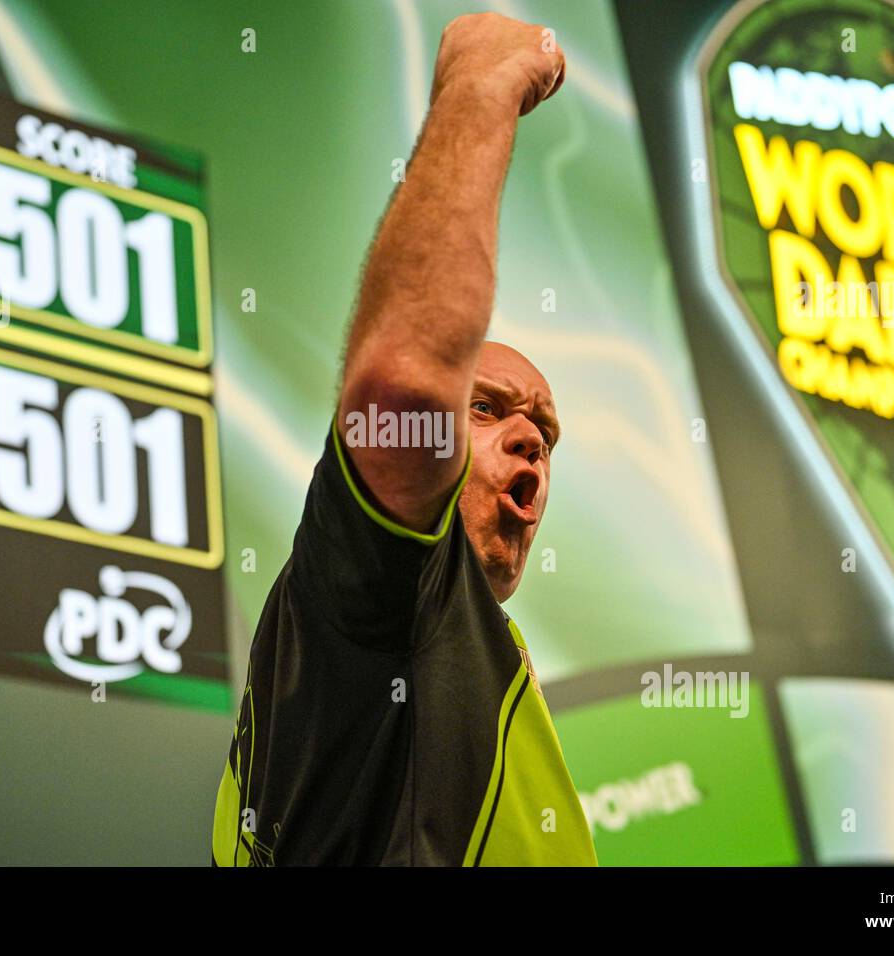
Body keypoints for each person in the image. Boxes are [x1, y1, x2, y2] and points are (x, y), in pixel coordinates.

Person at [212, 12, 596, 866]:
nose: (532, 439)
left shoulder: (473, 665)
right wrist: (481, 84)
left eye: (546, 434)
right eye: (490, 409)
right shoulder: (377, 597)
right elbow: (404, 386)